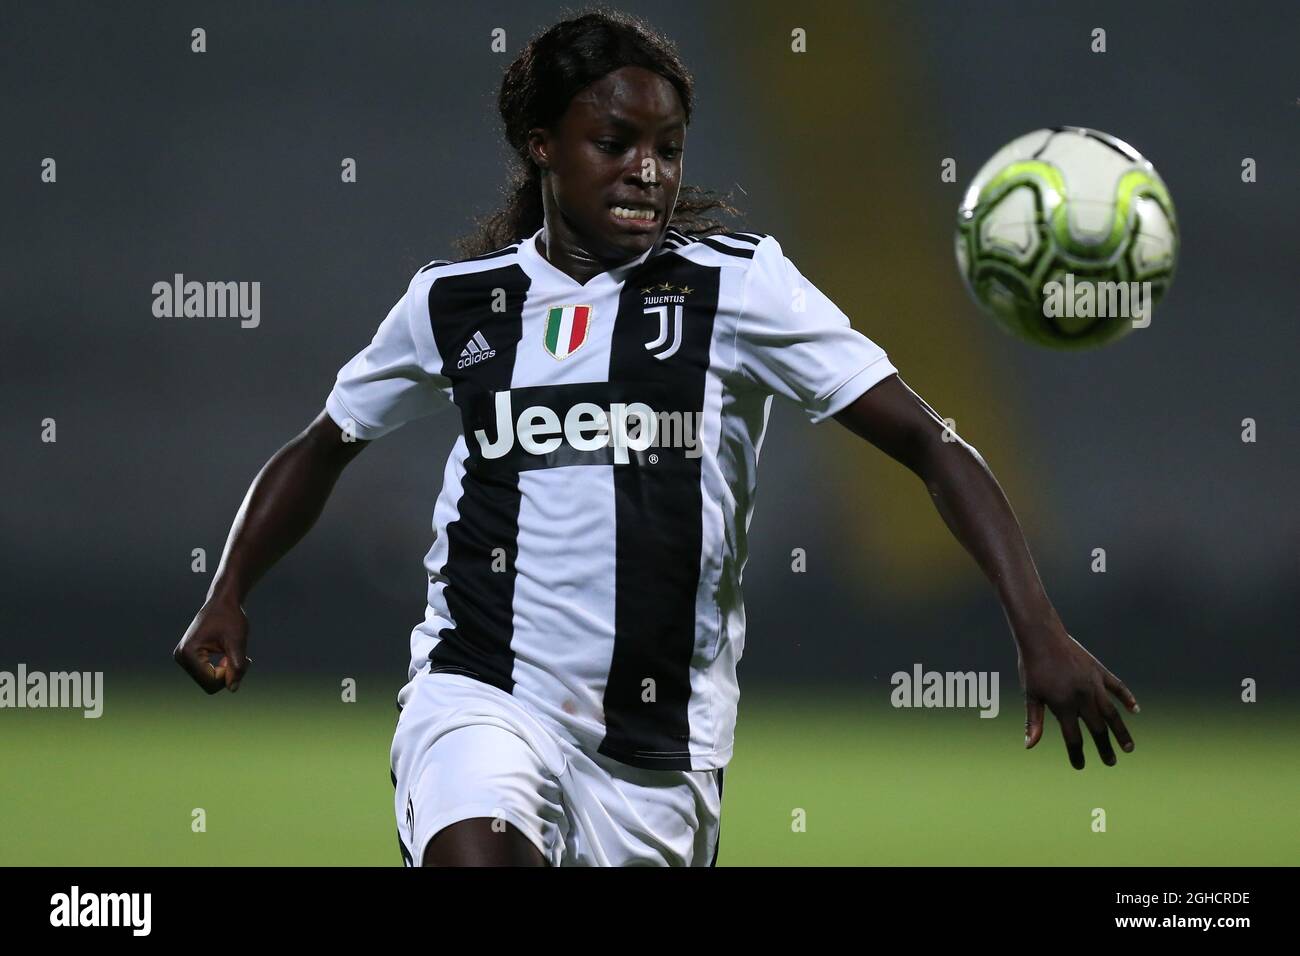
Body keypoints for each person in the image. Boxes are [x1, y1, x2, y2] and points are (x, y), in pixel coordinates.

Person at [174, 9, 1139, 867]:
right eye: (616, 141)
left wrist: (1039, 630)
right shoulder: (457, 302)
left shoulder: (740, 286)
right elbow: (325, 443)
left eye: (669, 148)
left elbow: (933, 445)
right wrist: (227, 593)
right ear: (542, 146)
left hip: (657, 761)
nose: (649, 169)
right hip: (482, 695)